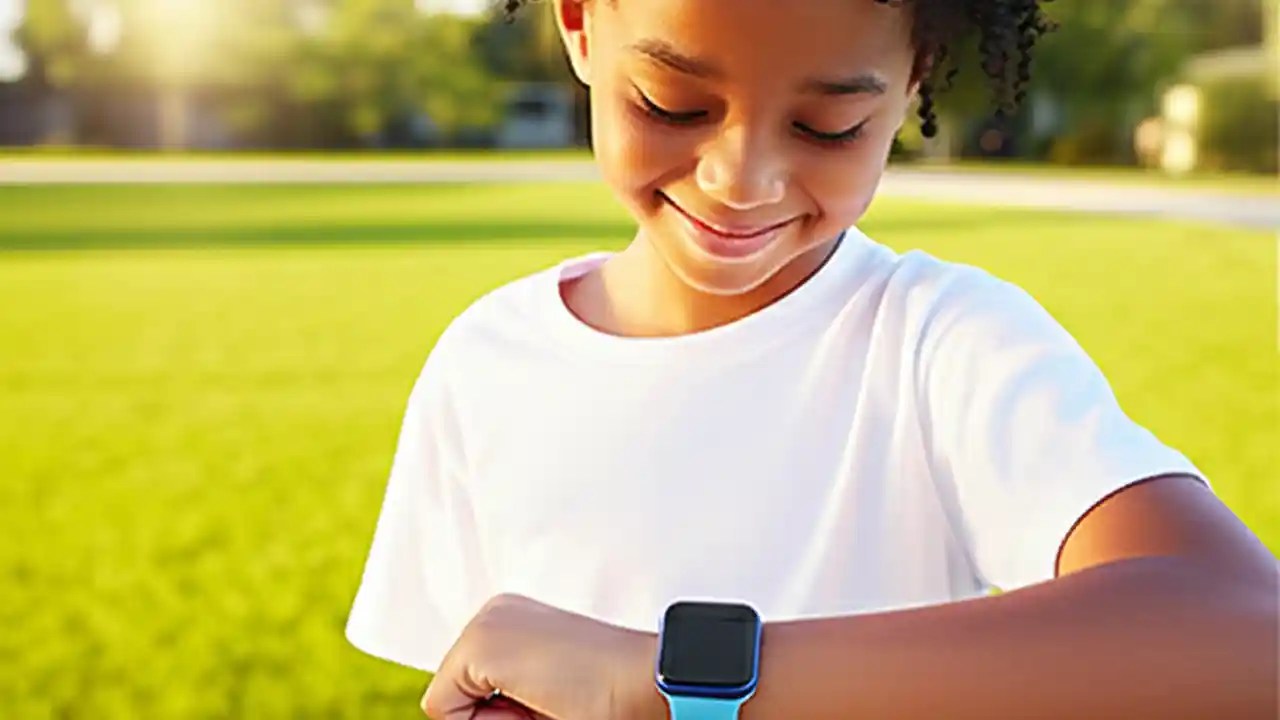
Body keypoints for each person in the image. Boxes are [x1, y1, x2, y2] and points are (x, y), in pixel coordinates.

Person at [345, 1, 1278, 718]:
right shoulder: (487, 361)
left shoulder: (940, 344)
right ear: (583, 24)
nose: (740, 179)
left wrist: (666, 678)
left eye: (827, 126)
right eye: (673, 103)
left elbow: (1248, 633)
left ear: (913, 82)